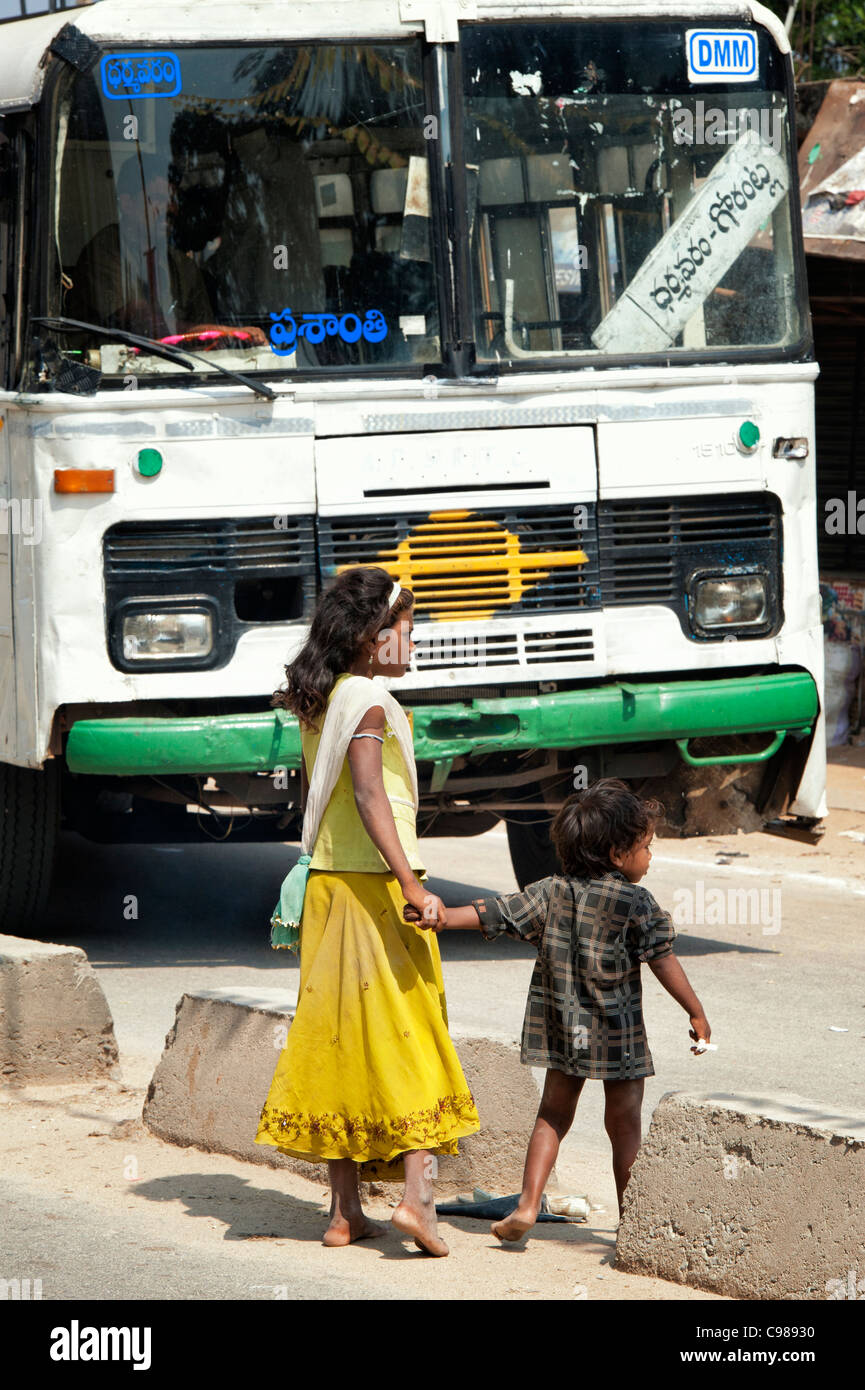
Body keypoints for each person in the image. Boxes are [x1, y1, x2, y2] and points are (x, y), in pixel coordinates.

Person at [254, 566, 480, 1256]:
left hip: (329, 890)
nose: (412, 642)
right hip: (376, 893)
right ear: (369, 637)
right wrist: (411, 886)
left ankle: (345, 1212)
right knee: (410, 1037)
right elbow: (369, 795)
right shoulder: (369, 702)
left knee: (342, 1042)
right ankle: (416, 1200)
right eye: (405, 629)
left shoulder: (323, 699)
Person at [404, 778, 711, 1243]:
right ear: (616, 854)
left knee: (553, 1114)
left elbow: (496, 911)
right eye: (646, 847)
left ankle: (527, 1203)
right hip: (618, 1034)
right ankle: (631, 1227)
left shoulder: (551, 891)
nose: (651, 857)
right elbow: (662, 959)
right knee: (624, 1122)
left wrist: (441, 917)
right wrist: (695, 1011)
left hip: (563, 1029)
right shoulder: (637, 903)